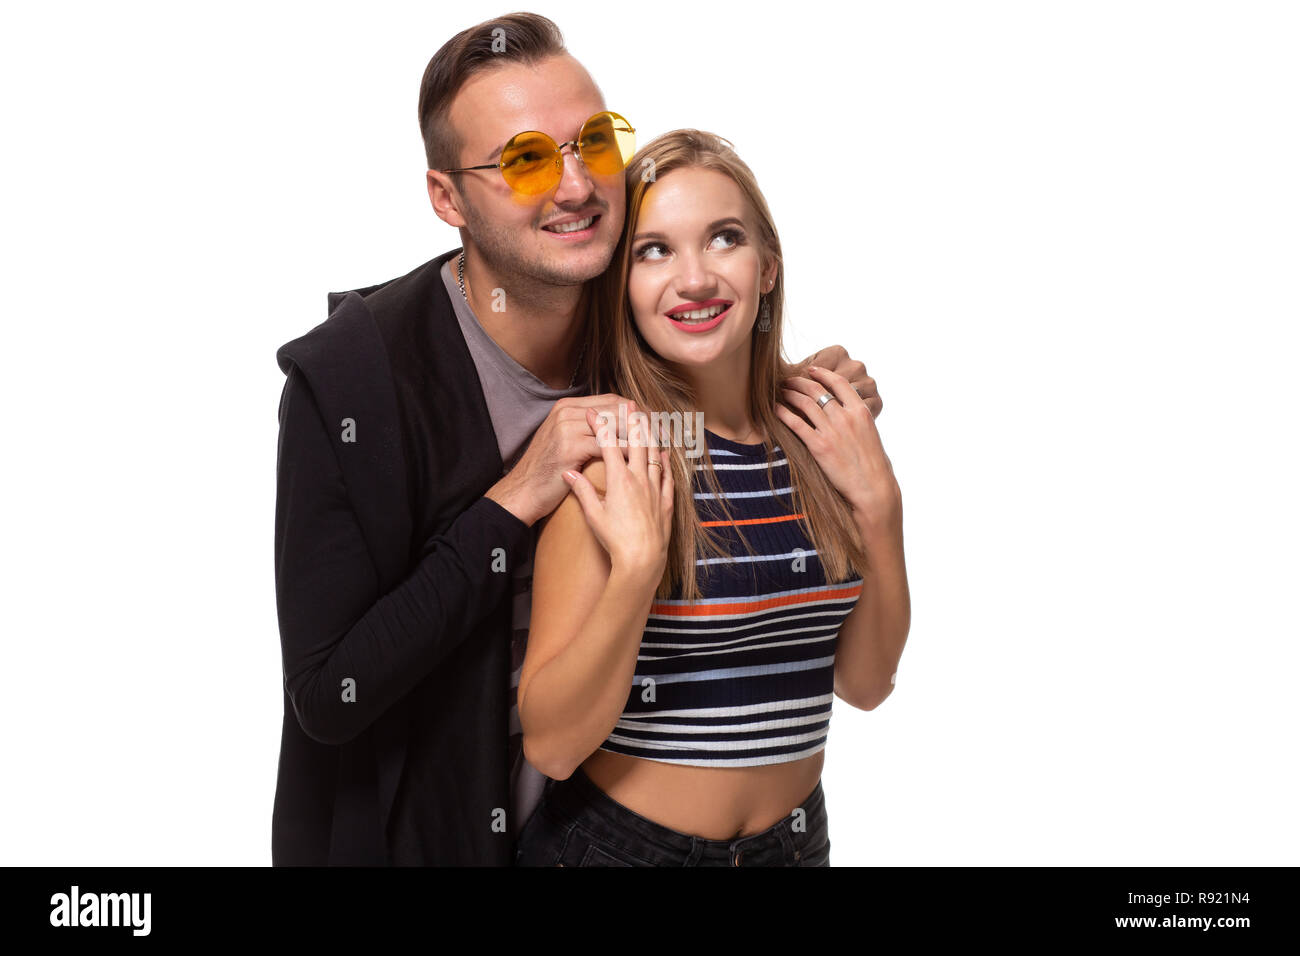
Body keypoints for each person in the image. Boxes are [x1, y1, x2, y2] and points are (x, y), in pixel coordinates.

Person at [272, 12, 884, 866]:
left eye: (593, 142)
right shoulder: (352, 384)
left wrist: (795, 394)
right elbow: (328, 695)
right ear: (446, 197)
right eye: (523, 159)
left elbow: (700, 378)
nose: (575, 186)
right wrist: (519, 494)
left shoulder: (620, 295)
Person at [514, 129, 911, 867]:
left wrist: (881, 510)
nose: (693, 279)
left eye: (723, 239)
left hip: (792, 847)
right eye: (654, 250)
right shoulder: (620, 457)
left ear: (767, 269)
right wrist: (635, 574)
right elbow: (553, 745)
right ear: (622, 285)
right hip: (620, 851)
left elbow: (865, 685)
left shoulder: (820, 439)